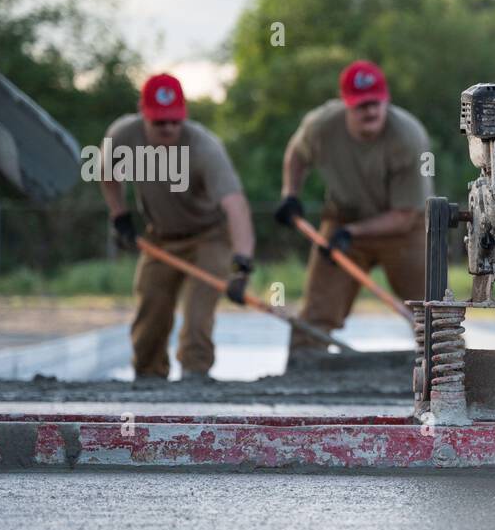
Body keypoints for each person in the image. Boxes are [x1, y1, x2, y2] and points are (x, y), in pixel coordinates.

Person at [97, 73, 255, 380]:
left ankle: (195, 378)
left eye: (175, 120)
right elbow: (107, 173)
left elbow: (236, 205)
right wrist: (119, 216)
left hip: (210, 237)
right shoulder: (122, 136)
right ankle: (148, 377)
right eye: (160, 122)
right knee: (151, 311)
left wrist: (242, 265)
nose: (169, 128)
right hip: (160, 238)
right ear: (143, 114)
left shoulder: (205, 148)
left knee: (197, 316)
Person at [275, 60, 431, 364]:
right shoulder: (321, 126)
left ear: (386, 99)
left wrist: (351, 233)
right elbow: (296, 154)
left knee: (432, 309)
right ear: (345, 103)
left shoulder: (409, 137)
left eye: (375, 103)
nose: (370, 111)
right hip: (343, 218)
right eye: (361, 105)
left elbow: (404, 216)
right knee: (317, 311)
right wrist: (290, 194)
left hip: (404, 227)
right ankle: (303, 369)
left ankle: (446, 371)